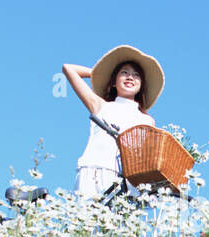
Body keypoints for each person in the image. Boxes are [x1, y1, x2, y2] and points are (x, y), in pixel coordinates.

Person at [63, 44, 165, 200]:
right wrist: (99, 75)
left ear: (141, 86)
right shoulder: (100, 105)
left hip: (122, 179)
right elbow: (68, 68)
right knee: (84, 220)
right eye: (124, 73)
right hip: (91, 170)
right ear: (113, 82)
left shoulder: (147, 120)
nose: (130, 77)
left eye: (136, 75)